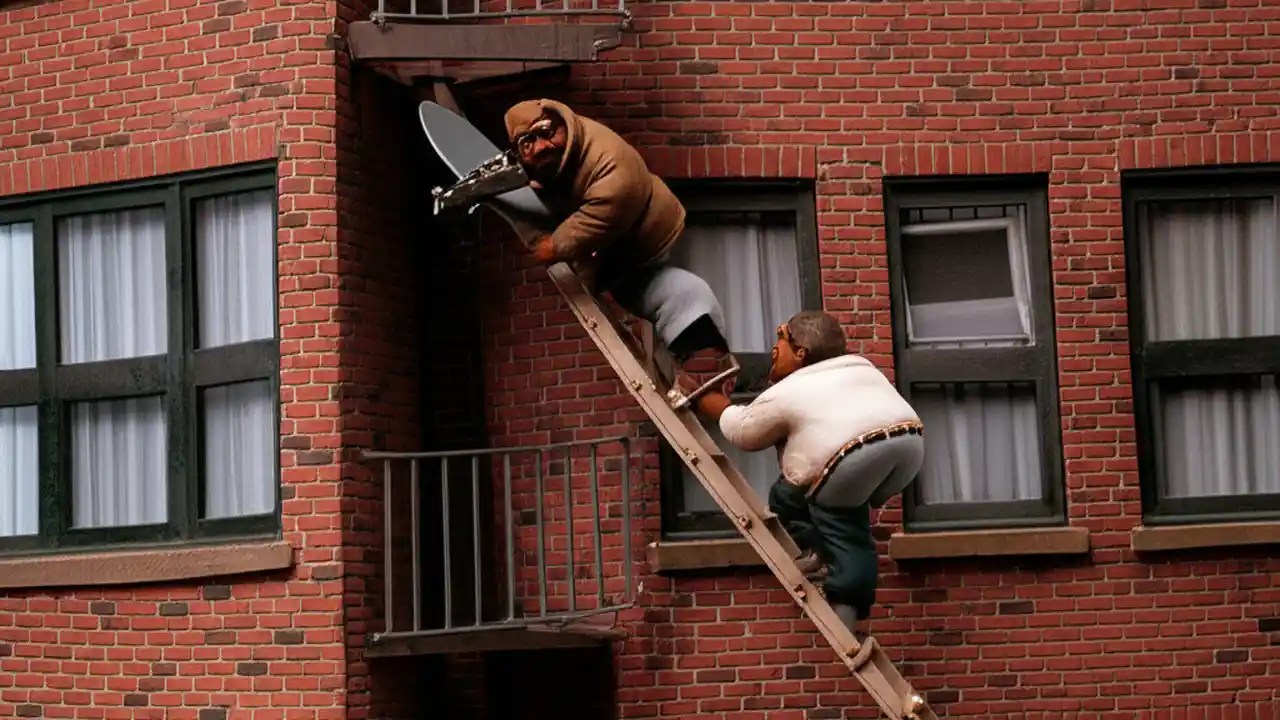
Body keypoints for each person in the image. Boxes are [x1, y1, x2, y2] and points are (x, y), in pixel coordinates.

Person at [686, 310, 925, 631]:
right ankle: (832, 570)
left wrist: (715, 405)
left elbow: (745, 432)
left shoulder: (790, 388)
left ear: (801, 352)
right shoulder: (861, 367)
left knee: (818, 513)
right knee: (823, 508)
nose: (773, 349)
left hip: (852, 455)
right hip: (909, 446)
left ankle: (841, 603)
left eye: (780, 339)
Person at [503, 98, 739, 399]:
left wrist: (555, 244)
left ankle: (701, 373)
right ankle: (688, 370)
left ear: (562, 123)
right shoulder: (564, 154)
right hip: (620, 244)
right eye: (527, 143)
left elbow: (590, 222)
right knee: (640, 294)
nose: (540, 146)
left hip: (644, 238)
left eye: (546, 132)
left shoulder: (612, 169)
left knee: (648, 290)